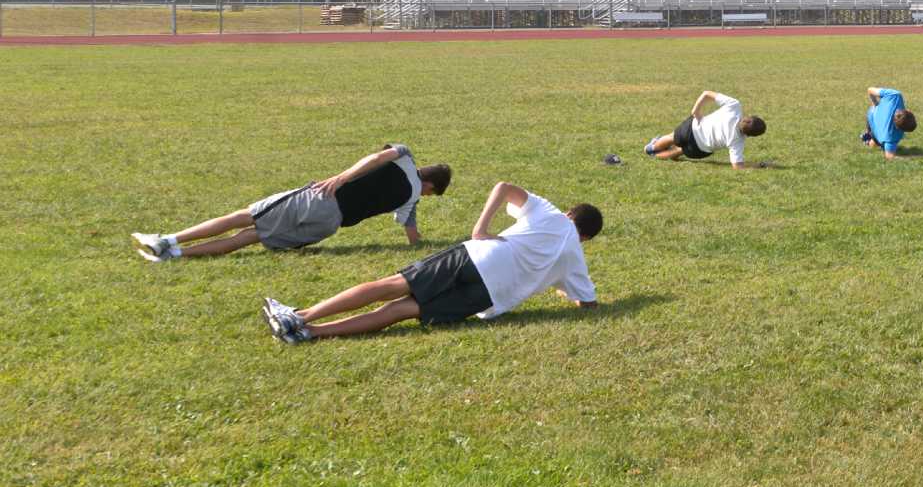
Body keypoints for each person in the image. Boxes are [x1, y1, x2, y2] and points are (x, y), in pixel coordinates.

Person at [262, 182, 599, 343]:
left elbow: (503, 187)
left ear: (570, 213)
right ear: (585, 237)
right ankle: (311, 333)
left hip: (479, 256)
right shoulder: (575, 258)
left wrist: (481, 229)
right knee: (399, 311)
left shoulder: (551, 213)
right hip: (489, 296)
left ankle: (300, 316)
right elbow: (587, 303)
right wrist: (563, 290)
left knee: (391, 286)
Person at [133, 144, 449, 261]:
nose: (425, 196)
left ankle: (169, 241)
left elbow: (377, 157)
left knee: (245, 217)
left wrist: (341, 177)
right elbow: (412, 237)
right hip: (329, 225)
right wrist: (428, 246)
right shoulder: (411, 200)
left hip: (321, 198)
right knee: (251, 237)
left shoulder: (404, 155)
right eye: (430, 194)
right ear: (430, 185)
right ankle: (176, 254)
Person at [646, 90, 767, 169]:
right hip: (699, 149)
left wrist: (696, 110)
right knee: (678, 151)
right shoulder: (738, 141)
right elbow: (737, 166)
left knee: (672, 137)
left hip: (692, 128)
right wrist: (757, 165)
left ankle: (651, 148)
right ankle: (656, 156)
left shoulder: (734, 106)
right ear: (750, 135)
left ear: (748, 117)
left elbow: (706, 94)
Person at [861, 86, 917, 159]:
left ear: (908, 111)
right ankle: (868, 141)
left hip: (872, 113)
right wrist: (916, 157)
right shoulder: (891, 138)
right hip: (873, 123)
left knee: (881, 139)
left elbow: (870, 90)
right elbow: (890, 157)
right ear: (899, 129)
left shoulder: (895, 96)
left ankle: (869, 137)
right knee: (877, 142)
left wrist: (875, 104)